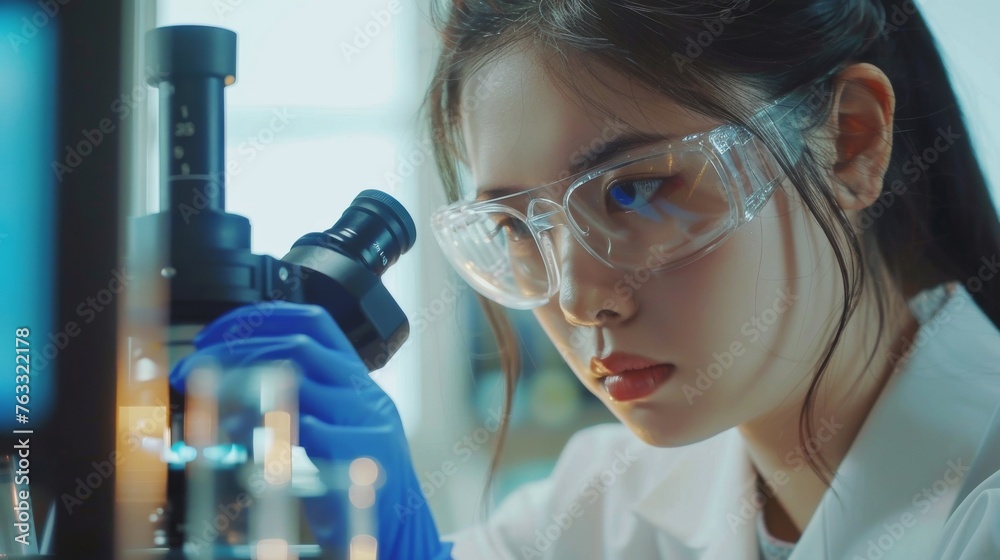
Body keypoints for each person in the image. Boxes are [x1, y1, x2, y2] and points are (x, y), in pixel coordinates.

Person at [171, 0, 1000, 558]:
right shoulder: (589, 506)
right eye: (517, 227)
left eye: (635, 191)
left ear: (850, 142)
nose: (576, 298)